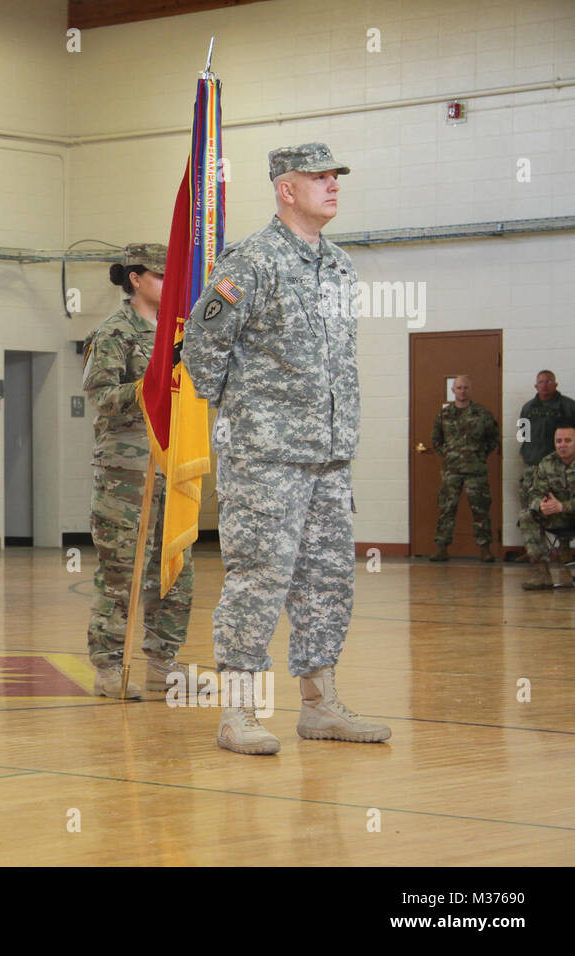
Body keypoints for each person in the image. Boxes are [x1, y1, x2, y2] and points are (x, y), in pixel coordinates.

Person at [184, 142, 390, 755]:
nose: (333, 186)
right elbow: (201, 348)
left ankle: (321, 704)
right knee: (258, 579)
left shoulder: (341, 265)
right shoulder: (249, 262)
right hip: (264, 458)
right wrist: (247, 418)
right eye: (319, 177)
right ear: (286, 188)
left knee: (329, 581)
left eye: (336, 177)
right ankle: (238, 714)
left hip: (329, 456)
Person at [82, 243, 193, 699]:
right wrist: (146, 388)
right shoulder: (115, 332)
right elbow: (100, 395)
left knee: (174, 569)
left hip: (173, 464)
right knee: (122, 570)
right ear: (135, 278)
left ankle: (163, 661)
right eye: (162, 277)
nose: (170, 286)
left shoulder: (178, 333)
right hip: (127, 472)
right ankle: (109, 665)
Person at [429, 374, 500, 561]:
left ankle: (485, 549)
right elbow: (436, 439)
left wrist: (479, 454)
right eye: (459, 388)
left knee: (481, 509)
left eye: (466, 387)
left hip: (476, 470)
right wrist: (449, 454)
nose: (462, 391)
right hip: (451, 470)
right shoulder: (444, 414)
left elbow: (493, 438)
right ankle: (442, 547)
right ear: (453, 390)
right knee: (446, 508)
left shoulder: (482, 414)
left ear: (471, 389)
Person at [519, 423, 575, 590]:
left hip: (567, 510)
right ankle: (542, 574)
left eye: (568, 440)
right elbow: (535, 492)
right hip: (558, 515)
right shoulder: (547, 463)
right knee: (527, 516)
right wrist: (541, 505)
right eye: (558, 441)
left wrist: (562, 506)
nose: (562, 445)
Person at [518, 371, 575, 508]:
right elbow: (523, 435)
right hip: (533, 466)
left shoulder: (568, 406)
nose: (544, 385)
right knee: (530, 508)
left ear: (555, 384)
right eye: (541, 382)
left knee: (562, 507)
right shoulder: (527, 408)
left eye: (549, 381)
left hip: (560, 468)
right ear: (535, 386)